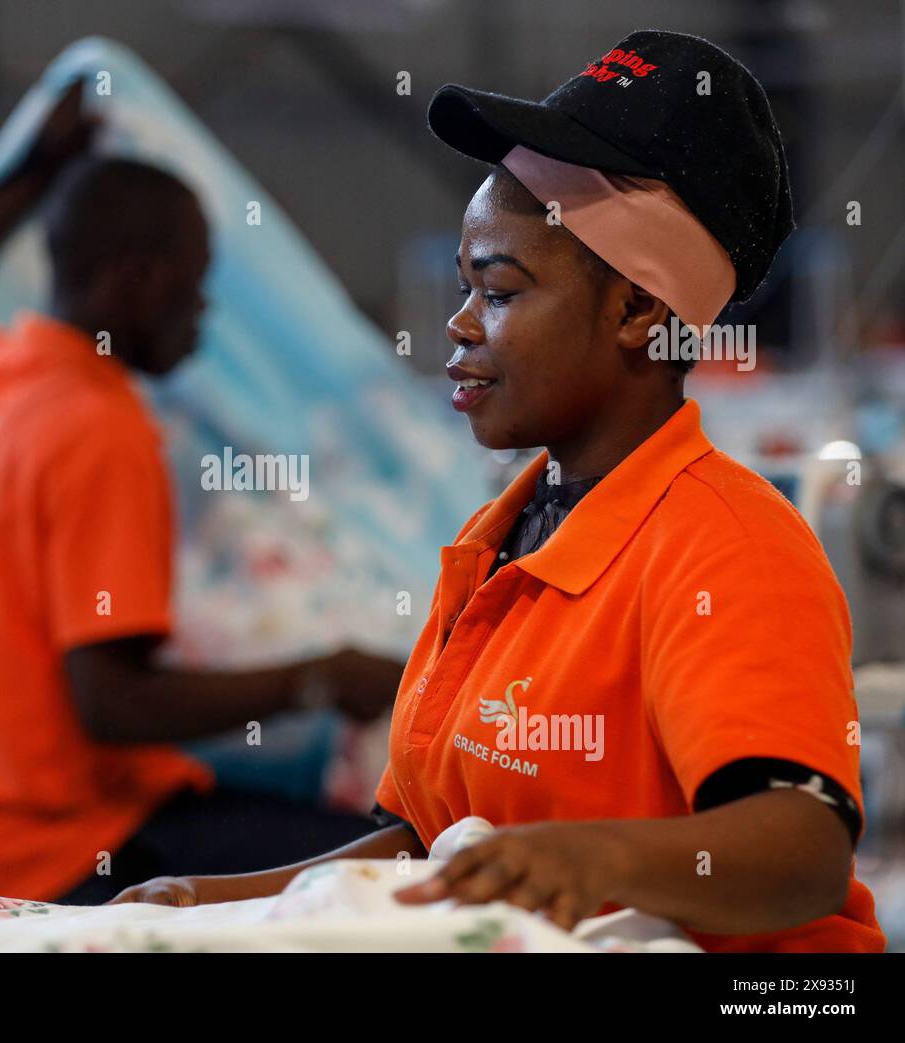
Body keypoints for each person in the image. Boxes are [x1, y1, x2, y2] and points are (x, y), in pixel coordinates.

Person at [111, 30, 886, 953]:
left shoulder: (725, 546)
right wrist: (214, 902)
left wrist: (584, 860)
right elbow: (434, 848)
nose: (460, 323)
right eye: (466, 286)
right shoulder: (499, 540)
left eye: (502, 290)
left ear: (638, 312)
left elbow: (800, 847)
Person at [0, 81, 403, 904]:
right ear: (137, 280)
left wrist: (34, 171)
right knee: (395, 872)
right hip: (72, 852)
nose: (203, 314)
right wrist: (324, 677)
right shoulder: (102, 429)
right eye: (194, 286)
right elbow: (110, 703)